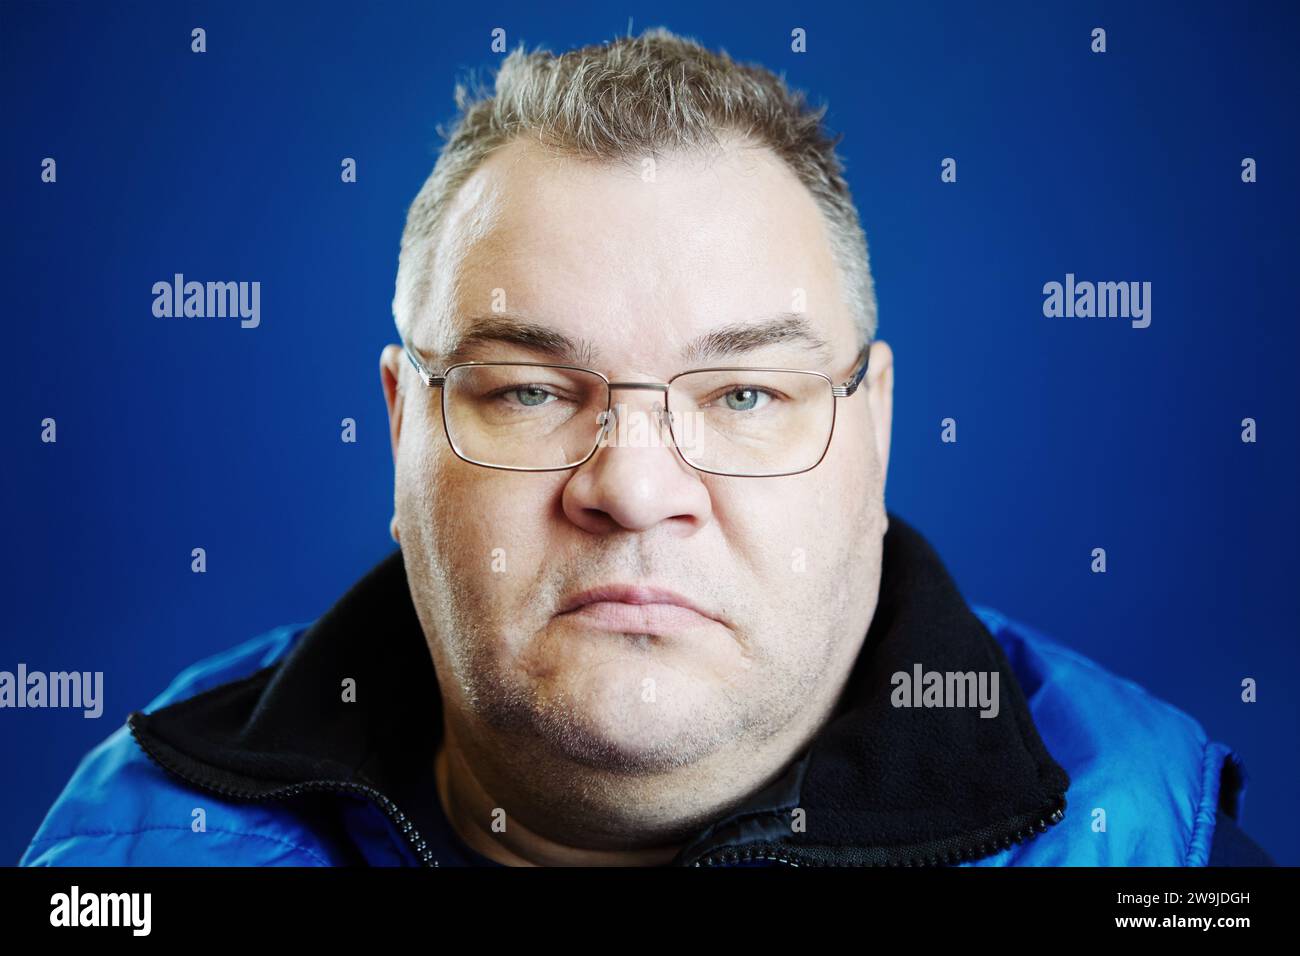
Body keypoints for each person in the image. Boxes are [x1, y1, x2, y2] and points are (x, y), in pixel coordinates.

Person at [22, 29, 1271, 867]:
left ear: (873, 432)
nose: (630, 486)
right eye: (525, 392)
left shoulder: (1152, 845)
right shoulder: (127, 841)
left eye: (740, 395)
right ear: (404, 428)